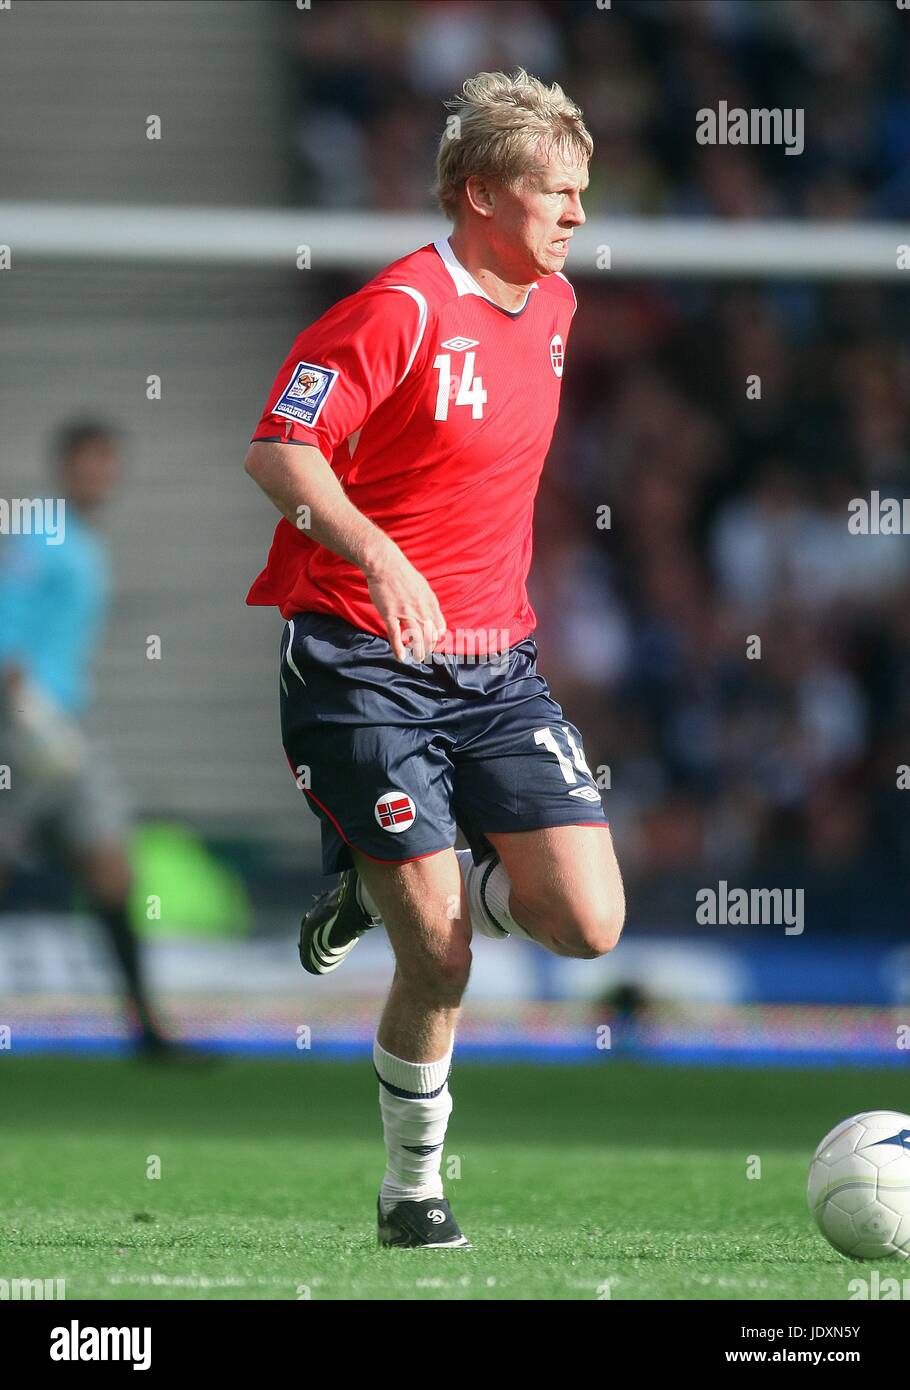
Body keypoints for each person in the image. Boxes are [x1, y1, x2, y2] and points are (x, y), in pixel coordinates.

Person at [244, 70, 625, 1249]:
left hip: (494, 665)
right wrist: (375, 549)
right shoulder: (399, 308)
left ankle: (368, 877)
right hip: (359, 655)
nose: (574, 214)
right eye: (551, 191)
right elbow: (277, 448)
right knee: (443, 946)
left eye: (581, 191)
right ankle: (412, 1193)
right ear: (476, 194)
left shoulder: (553, 308)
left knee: (590, 922)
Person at [0, 422, 179, 1058]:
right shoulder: (40, 535)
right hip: (22, 728)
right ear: (64, 467)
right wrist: (23, 708)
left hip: (70, 730)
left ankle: (147, 1032)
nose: (101, 476)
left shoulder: (84, 542)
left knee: (111, 870)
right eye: (90, 463)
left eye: (109, 463)